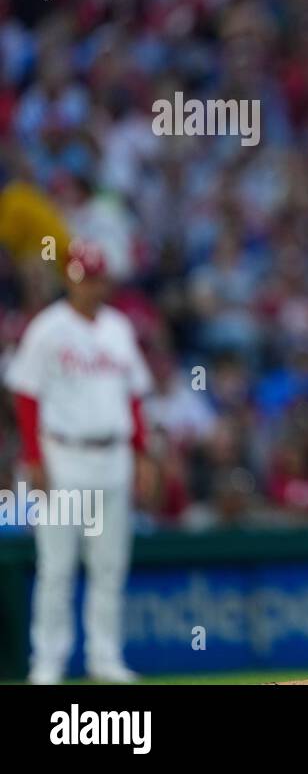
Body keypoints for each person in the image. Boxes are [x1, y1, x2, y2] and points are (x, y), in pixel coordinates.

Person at [4, 239, 152, 684]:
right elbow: (26, 394)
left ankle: (104, 658)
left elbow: (134, 397)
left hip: (114, 456)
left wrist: (142, 454)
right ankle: (47, 662)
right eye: (83, 276)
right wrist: (33, 457)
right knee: (58, 568)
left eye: (97, 276)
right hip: (64, 456)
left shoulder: (118, 328)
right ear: (69, 277)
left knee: (109, 566)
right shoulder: (48, 328)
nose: (91, 285)